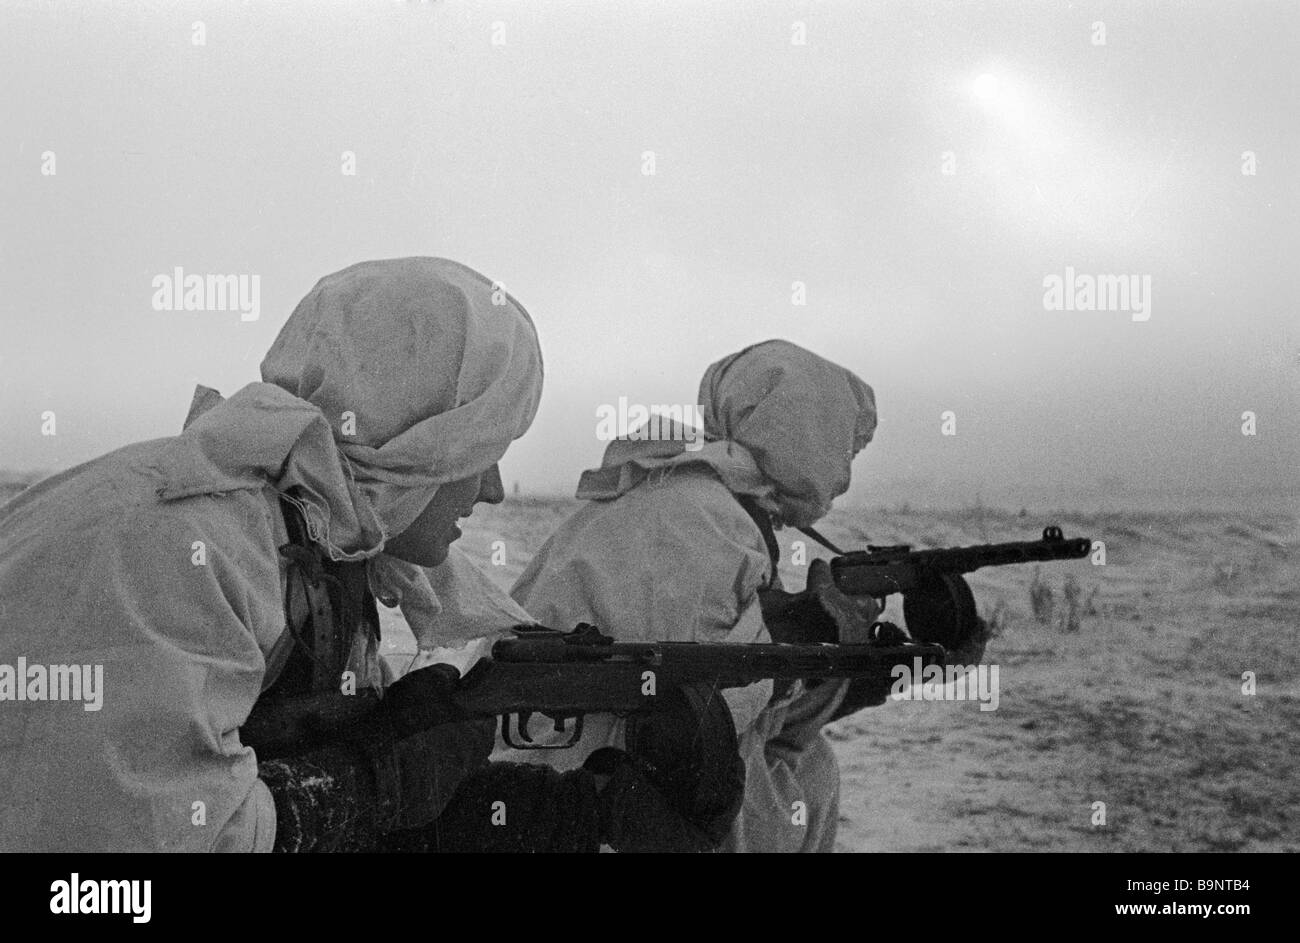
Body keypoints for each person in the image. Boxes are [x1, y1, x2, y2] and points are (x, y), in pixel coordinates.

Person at [0, 257, 738, 852]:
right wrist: (375, 776)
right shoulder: (178, 546)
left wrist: (579, 813)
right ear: (416, 439)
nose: (494, 488)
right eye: (482, 453)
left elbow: (342, 814)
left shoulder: (315, 541)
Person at [503, 339, 889, 852]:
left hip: (547, 772)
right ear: (804, 435)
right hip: (576, 789)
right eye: (840, 445)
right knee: (802, 778)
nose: (842, 472)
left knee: (805, 759)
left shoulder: (689, 494)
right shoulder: (711, 519)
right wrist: (815, 633)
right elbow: (695, 722)